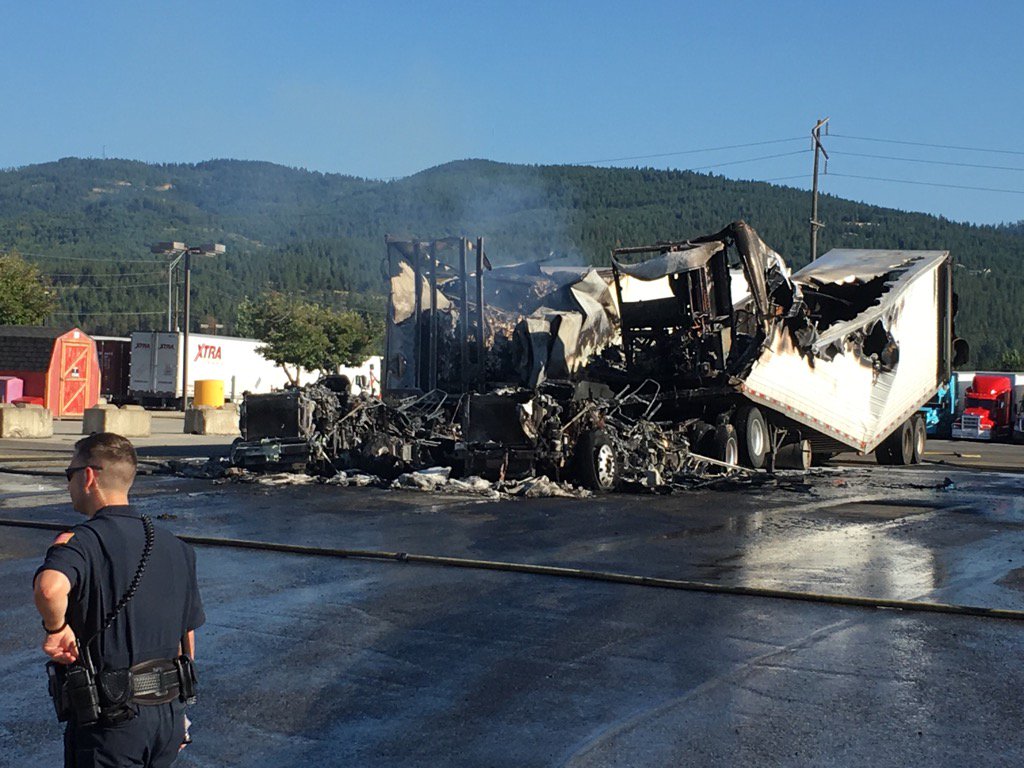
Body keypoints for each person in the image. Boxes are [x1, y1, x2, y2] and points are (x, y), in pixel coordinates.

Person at [33, 432, 205, 768]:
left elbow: (50, 589)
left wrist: (56, 628)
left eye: (70, 474)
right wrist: (181, 713)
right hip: (167, 716)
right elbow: (185, 638)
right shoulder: (176, 546)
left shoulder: (80, 541)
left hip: (112, 723)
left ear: (89, 476)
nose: (68, 484)